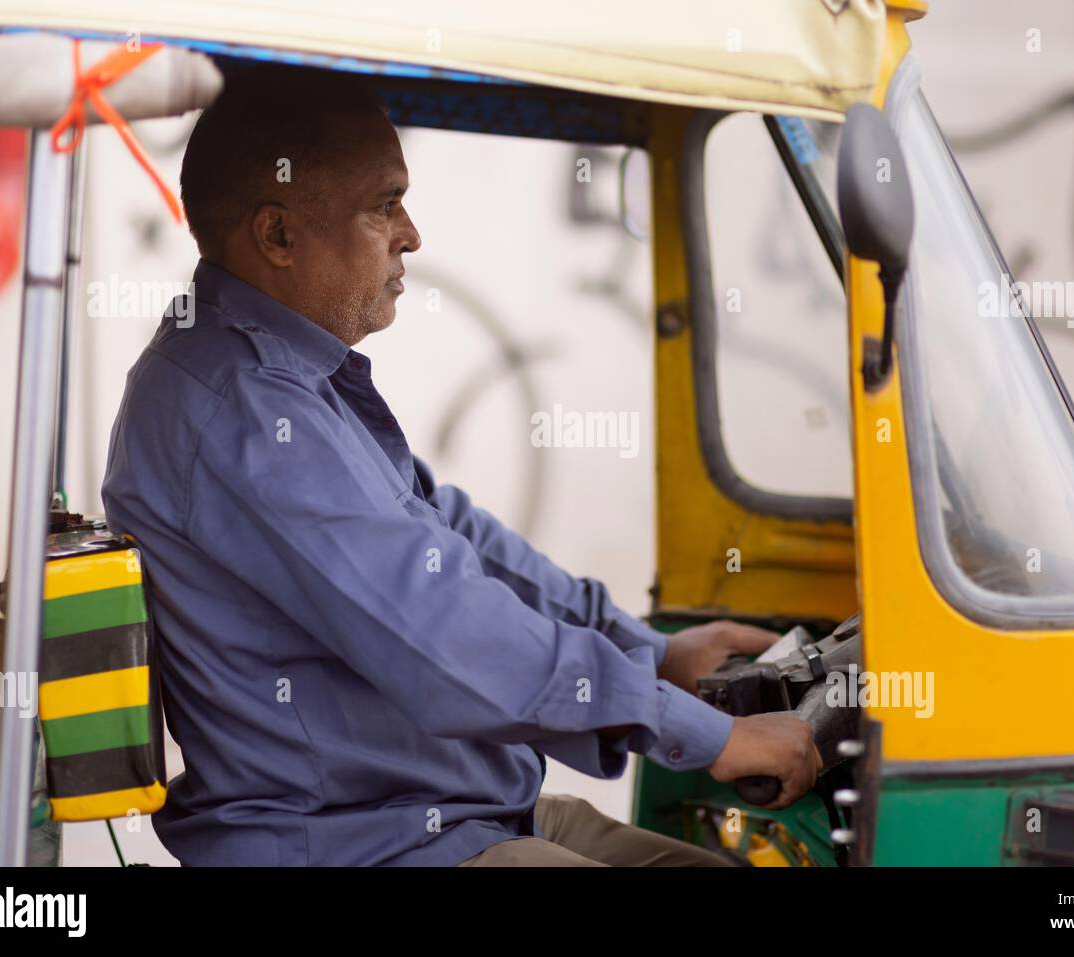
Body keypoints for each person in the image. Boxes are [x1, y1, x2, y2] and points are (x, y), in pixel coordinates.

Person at [102, 67, 821, 867]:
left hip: (453, 813)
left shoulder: (288, 374)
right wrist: (705, 734)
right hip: (362, 842)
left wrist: (649, 653)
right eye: (384, 205)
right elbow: (448, 627)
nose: (411, 233)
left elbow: (455, 536)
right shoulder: (244, 410)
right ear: (277, 236)